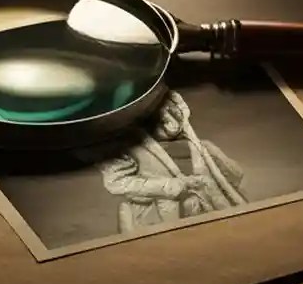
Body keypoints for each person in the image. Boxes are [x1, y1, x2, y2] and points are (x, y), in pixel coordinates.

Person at [96, 92, 247, 232]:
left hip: (209, 209)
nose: (167, 117)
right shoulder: (125, 139)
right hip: (162, 216)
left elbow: (235, 175)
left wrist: (212, 156)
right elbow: (117, 182)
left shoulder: (176, 113)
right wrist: (171, 186)